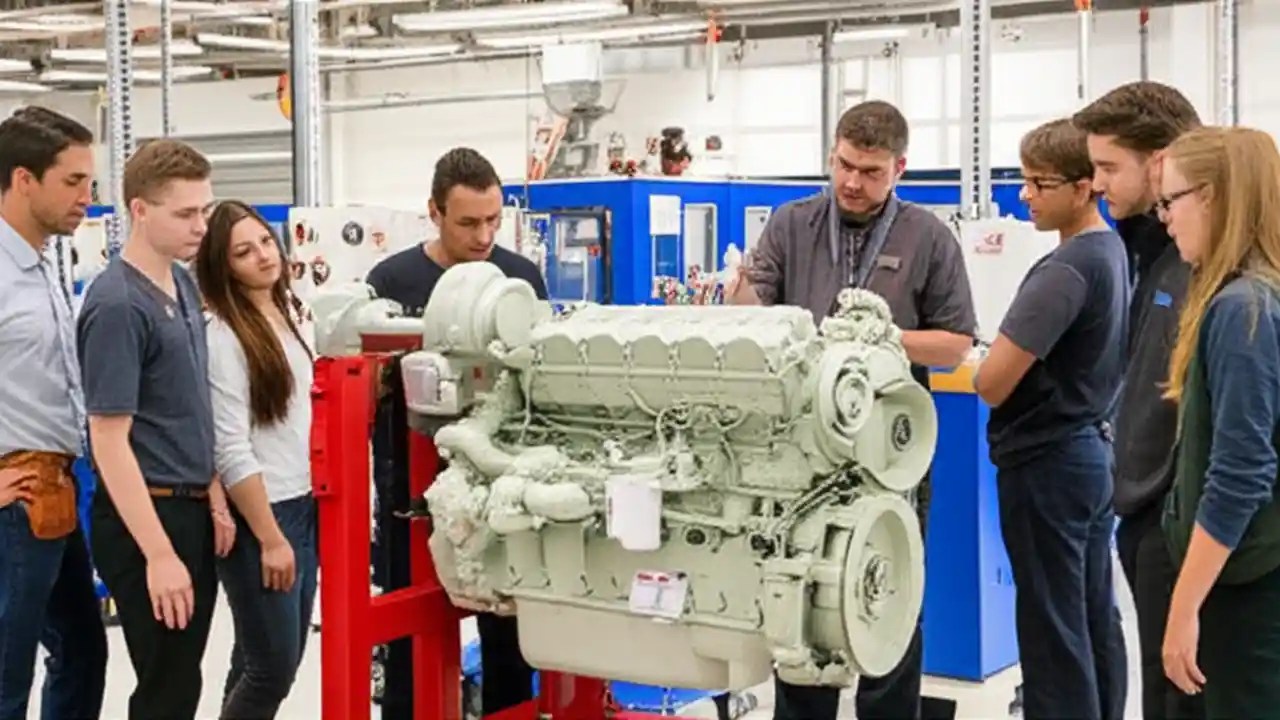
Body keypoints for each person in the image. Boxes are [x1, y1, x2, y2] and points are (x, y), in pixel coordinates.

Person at [726, 100, 977, 720]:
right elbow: (754, 316)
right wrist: (737, 293)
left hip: (891, 456)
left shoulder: (928, 238)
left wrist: (884, 340)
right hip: (803, 455)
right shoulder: (791, 224)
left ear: (900, 170)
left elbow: (955, 343)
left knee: (889, 597)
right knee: (800, 599)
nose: (852, 182)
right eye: (843, 165)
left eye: (870, 172)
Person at [367, 147, 547, 718]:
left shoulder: (520, 279)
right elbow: (369, 392)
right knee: (410, 642)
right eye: (468, 222)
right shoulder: (391, 281)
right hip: (412, 496)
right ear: (435, 212)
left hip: (503, 492)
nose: (484, 236)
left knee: (510, 643)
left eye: (493, 219)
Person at [973, 118, 1129, 720]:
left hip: (1048, 464)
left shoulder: (1065, 269)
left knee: (1051, 632)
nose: (1026, 195)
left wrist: (988, 356)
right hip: (1091, 454)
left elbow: (991, 383)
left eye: (1040, 183)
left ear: (1085, 186)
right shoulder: (1111, 251)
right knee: (1090, 615)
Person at [77, 139, 235, 720]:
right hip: (148, 515)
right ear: (140, 210)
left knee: (182, 679)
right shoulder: (119, 305)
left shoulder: (181, 284)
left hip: (190, 507)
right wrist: (160, 555)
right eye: (185, 213)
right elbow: (108, 439)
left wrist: (212, 491)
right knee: (165, 690)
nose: (201, 226)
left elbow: (186, 404)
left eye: (205, 210)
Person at [1072, 80, 1204, 720]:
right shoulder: (1145, 248)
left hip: (1175, 514)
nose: (1096, 184)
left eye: (1108, 167)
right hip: (1143, 507)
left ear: (1160, 163)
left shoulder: (1203, 268)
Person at [1157, 125, 1280, 716]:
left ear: (1211, 197)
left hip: (1247, 589)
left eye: (1170, 200)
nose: (1165, 219)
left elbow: (1241, 472)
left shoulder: (1242, 312)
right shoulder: (1254, 298)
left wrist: (1183, 608)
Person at [0, 106, 107, 720]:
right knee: (6, 679)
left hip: (55, 494)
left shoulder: (43, 263)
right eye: (72, 181)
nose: (87, 197)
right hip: (14, 502)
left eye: (89, 181)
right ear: (23, 179)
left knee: (82, 652)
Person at [197, 200, 317, 719]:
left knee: (256, 658)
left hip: (304, 502)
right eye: (243, 252)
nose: (264, 256)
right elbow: (230, 447)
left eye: (266, 241)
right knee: (273, 668)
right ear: (223, 267)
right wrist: (270, 537)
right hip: (263, 513)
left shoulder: (293, 313)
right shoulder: (223, 334)